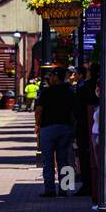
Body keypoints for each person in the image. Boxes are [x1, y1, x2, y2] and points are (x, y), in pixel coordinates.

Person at [35, 66, 76, 197]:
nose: (50, 78)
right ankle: (65, 189)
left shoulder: (47, 92)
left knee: (48, 160)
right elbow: (74, 111)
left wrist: (38, 124)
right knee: (64, 159)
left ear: (57, 77)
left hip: (48, 128)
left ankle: (50, 190)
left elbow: (39, 110)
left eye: (52, 76)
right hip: (66, 128)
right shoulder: (70, 91)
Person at [73, 63, 101, 196]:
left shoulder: (84, 88)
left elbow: (77, 109)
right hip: (96, 126)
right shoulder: (104, 85)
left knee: (85, 155)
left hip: (85, 127)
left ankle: (88, 184)